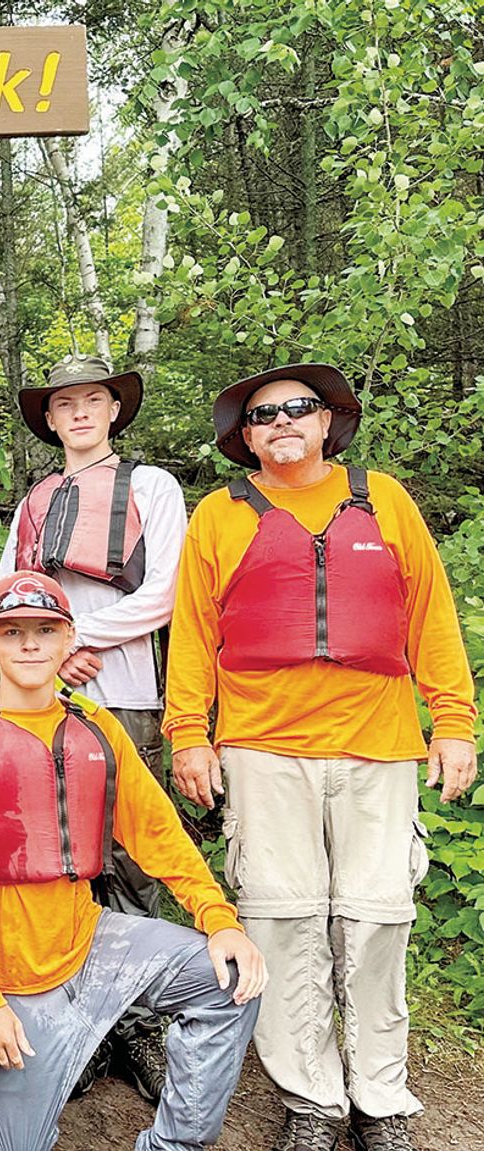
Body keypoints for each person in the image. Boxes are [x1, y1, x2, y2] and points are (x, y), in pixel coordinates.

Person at [165, 364, 478, 1151]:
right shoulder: (219, 515)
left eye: (298, 408)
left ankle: (381, 1094)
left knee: (378, 920)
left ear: (329, 419)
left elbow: (431, 616)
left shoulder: (384, 500)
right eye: (262, 414)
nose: (281, 421)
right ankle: (312, 1096)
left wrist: (454, 721)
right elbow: (194, 634)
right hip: (263, 746)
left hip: (379, 744)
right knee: (280, 919)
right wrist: (187, 735)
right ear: (245, 437)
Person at [0, 571, 266, 1151]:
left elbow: (157, 832)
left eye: (45, 630)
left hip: (88, 941)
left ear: (68, 638)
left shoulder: (95, 727)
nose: (30, 644)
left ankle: (174, 1144)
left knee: (228, 979)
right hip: (6, 971)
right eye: (14, 631)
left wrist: (218, 919)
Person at [0, 353, 187, 1101]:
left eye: (93, 400)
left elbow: (167, 588)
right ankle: (77, 1019)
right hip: (46, 696)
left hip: (125, 689)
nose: (79, 412)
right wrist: (45, 654)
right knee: (58, 854)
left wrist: (79, 637)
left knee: (132, 855)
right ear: (49, 418)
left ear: (114, 410)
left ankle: (139, 1020)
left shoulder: (152, 486)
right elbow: (14, 590)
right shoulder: (34, 500)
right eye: (64, 402)